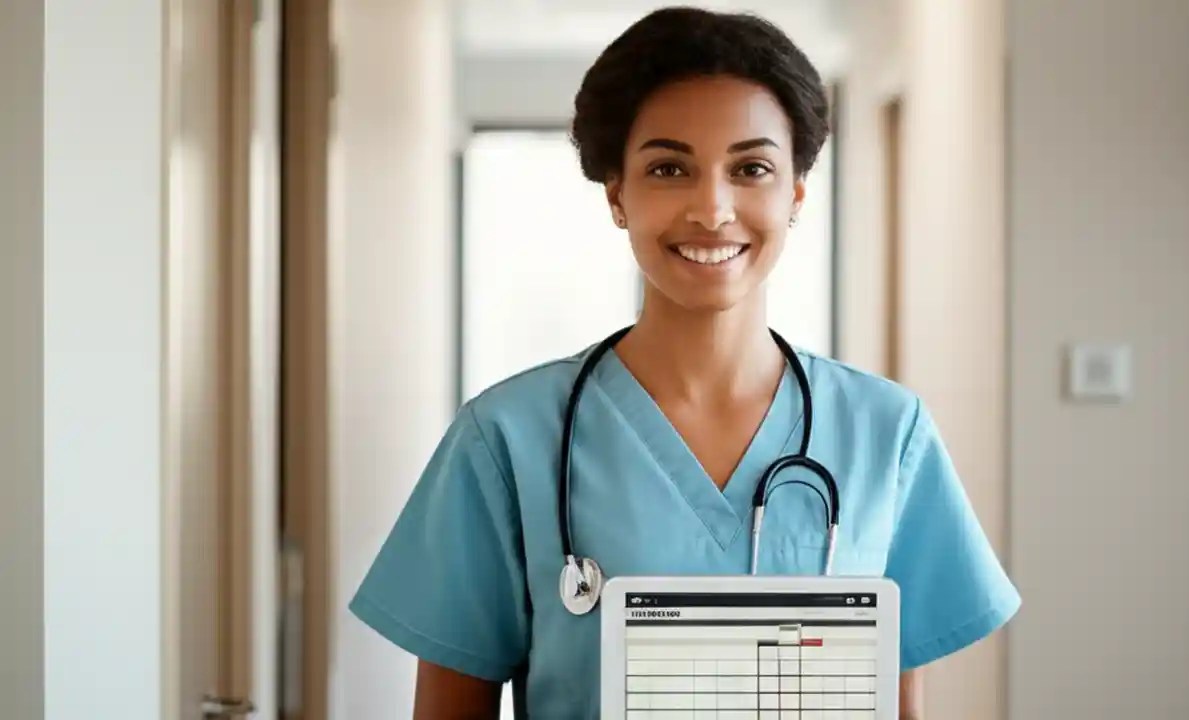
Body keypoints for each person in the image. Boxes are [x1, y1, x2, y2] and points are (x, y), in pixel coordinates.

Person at [349, 7, 1020, 719]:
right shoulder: (508, 438)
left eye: (751, 167)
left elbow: (900, 700)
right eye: (669, 168)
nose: (712, 208)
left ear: (795, 192)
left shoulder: (887, 433)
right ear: (617, 195)